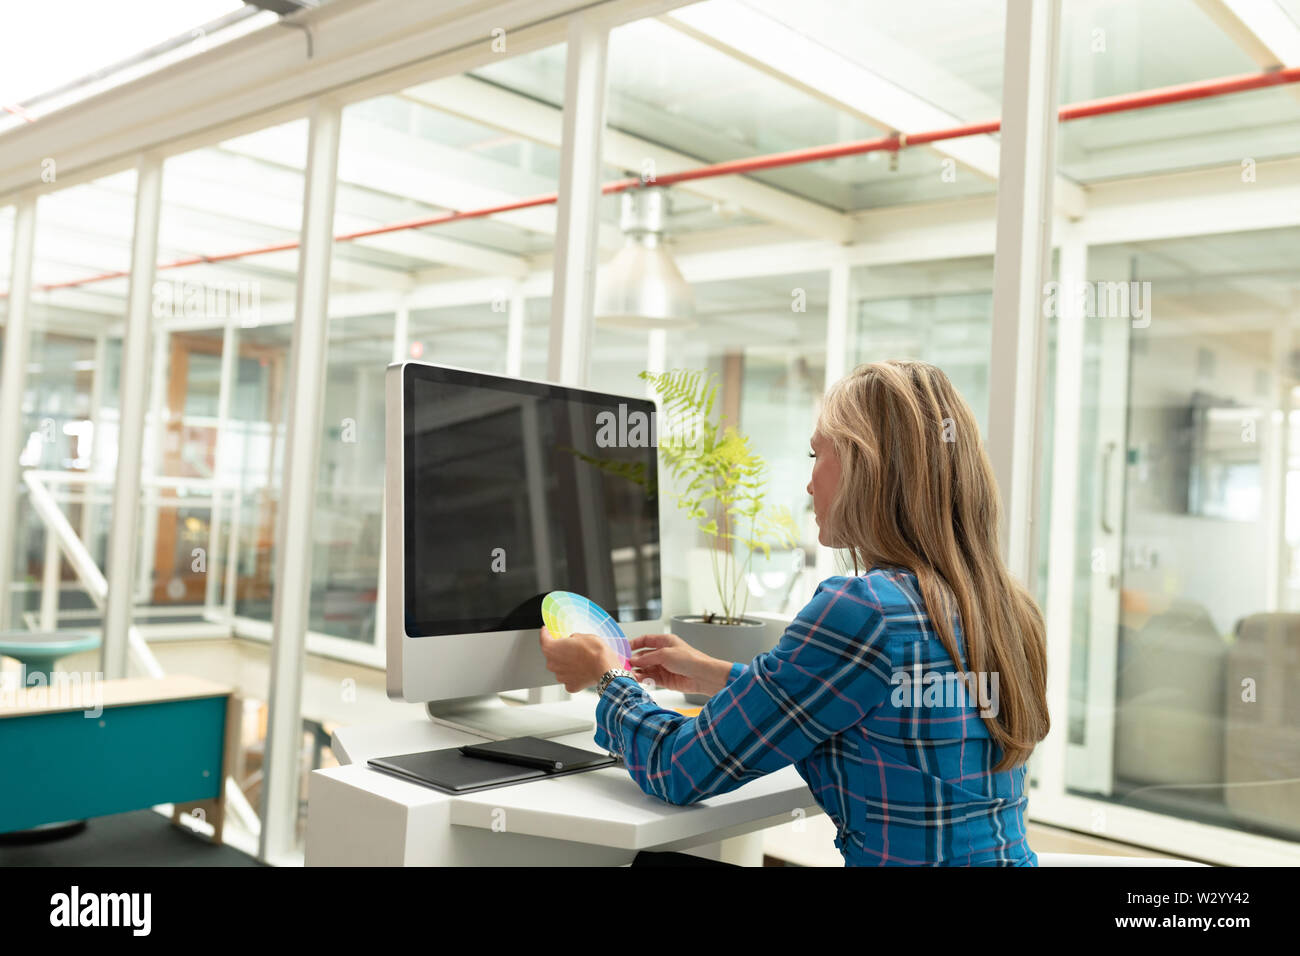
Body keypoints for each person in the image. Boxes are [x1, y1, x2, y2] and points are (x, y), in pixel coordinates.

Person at [539, 359, 1050, 866]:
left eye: (816, 454)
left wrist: (605, 678)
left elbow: (678, 769)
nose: (809, 485)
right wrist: (717, 674)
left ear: (864, 466)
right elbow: (870, 701)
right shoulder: (1005, 608)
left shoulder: (864, 610)